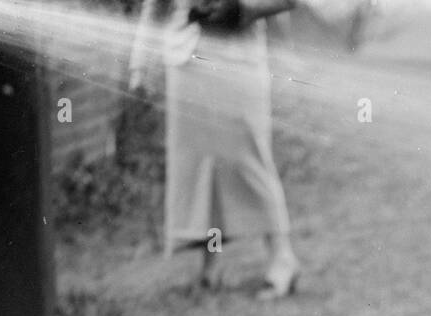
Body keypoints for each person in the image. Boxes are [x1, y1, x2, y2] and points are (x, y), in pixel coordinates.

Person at [128, 0, 301, 298]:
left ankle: (282, 257)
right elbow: (154, 7)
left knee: (248, 157)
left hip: (239, 57)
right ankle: (212, 265)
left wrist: (241, 8)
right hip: (186, 59)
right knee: (201, 164)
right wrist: (139, 67)